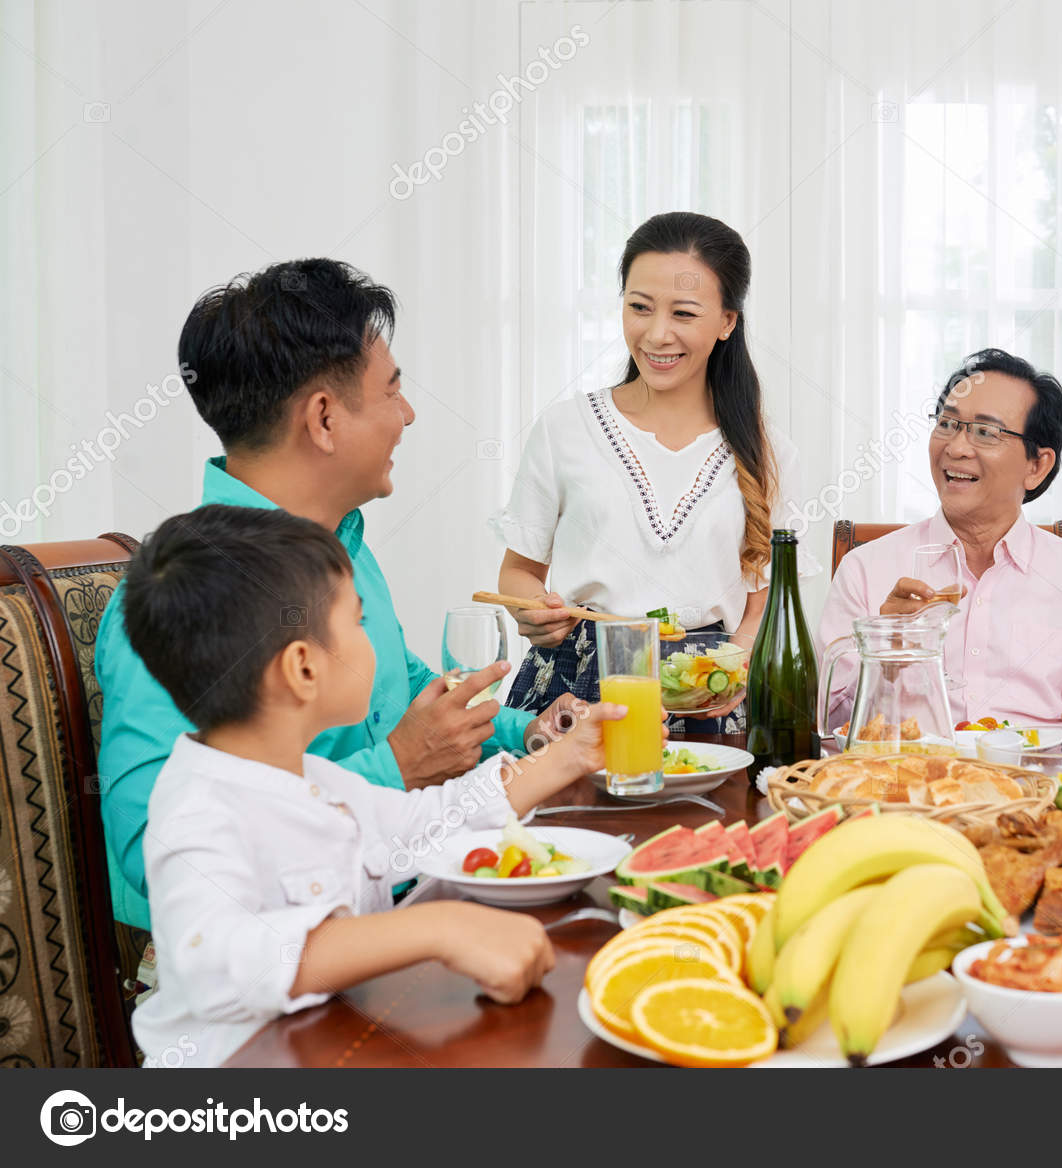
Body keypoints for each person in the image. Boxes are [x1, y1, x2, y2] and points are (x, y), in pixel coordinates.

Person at [97, 259, 565, 934]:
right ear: (322, 419)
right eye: (392, 391)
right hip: (287, 972)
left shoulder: (343, 545)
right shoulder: (185, 598)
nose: (407, 414)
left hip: (411, 891)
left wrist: (535, 732)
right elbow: (154, 851)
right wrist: (396, 768)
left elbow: (405, 691)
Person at [121, 506, 623, 1067]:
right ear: (303, 669)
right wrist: (436, 926)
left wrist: (566, 757)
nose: (374, 643)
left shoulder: (315, 780)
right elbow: (217, 960)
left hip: (333, 1040)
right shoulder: (197, 808)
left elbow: (437, 818)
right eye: (357, 623)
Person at [493, 212, 814, 729]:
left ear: (728, 321)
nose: (657, 334)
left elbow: (764, 604)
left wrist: (734, 667)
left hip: (707, 688)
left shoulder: (768, 449)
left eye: (684, 314)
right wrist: (533, 612)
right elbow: (520, 571)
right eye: (639, 308)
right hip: (574, 687)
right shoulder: (565, 427)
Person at [818, 348, 1062, 732]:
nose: (956, 448)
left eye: (985, 433)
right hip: (908, 782)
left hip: (1040, 782)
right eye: (947, 424)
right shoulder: (865, 569)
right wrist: (883, 652)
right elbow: (826, 725)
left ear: (1037, 465)